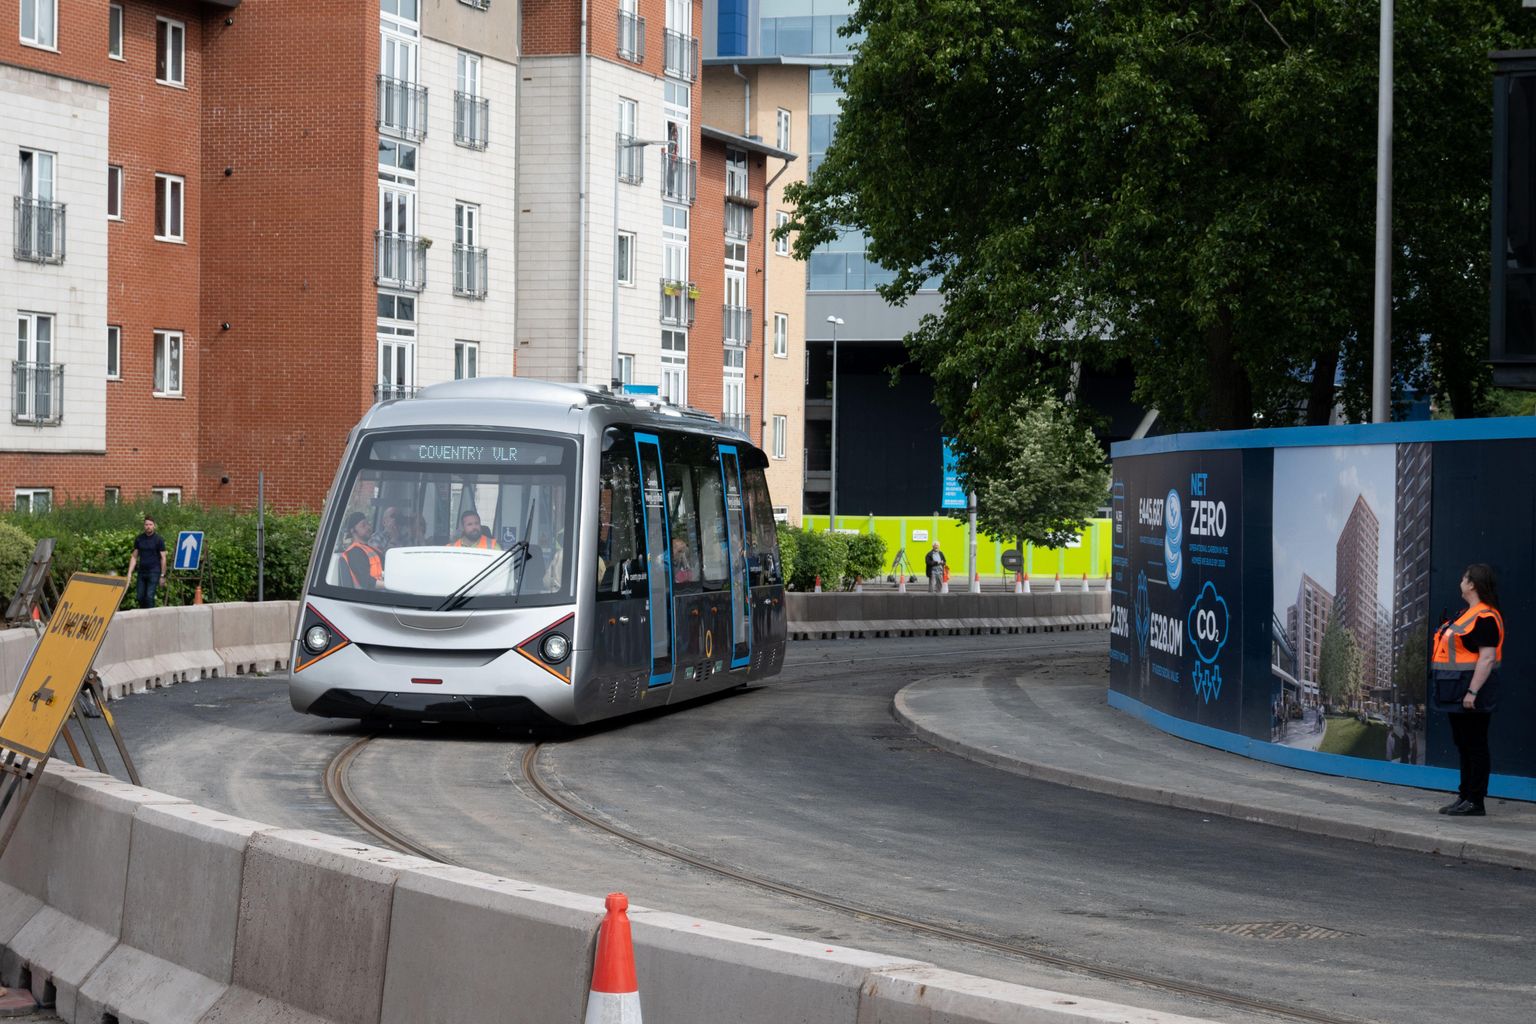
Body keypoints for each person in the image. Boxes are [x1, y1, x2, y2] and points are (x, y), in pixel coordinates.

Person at [1431, 563, 1505, 817]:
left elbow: (1486, 658)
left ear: (1472, 584)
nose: (1460, 581)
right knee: (1463, 743)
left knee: (1475, 744)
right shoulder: (1465, 614)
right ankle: (1464, 796)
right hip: (1454, 690)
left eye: (1464, 578)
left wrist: (1472, 692)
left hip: (1472, 692)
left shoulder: (1485, 616)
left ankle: (1476, 801)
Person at [126, 515, 167, 608]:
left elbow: (163, 558)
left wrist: (163, 575)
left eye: (150, 524)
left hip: (154, 571)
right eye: (146, 524)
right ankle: (144, 616)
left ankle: (151, 618)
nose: (148, 526)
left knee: (149, 597)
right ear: (144, 526)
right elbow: (134, 557)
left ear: (154, 526)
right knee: (140, 597)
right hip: (142, 572)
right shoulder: (139, 539)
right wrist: (129, 573)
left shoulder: (159, 540)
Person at [341, 510, 383, 589]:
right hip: (370, 596)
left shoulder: (370, 548)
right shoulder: (354, 552)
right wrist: (389, 585)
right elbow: (366, 582)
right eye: (363, 525)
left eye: (368, 524)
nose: (368, 527)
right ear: (353, 530)